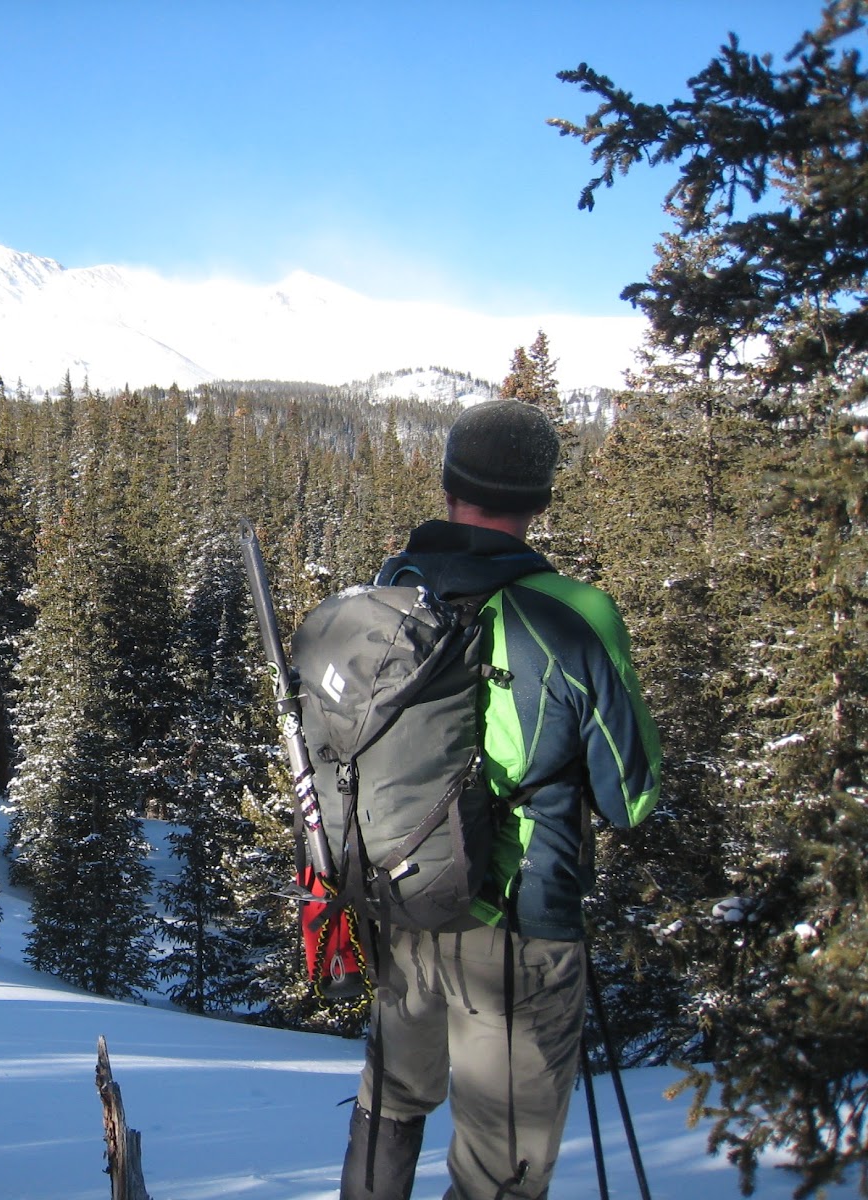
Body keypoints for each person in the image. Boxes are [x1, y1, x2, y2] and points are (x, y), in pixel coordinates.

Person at [338, 400, 662, 1200]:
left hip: (404, 899)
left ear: (448, 485)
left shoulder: (392, 590)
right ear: (542, 498)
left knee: (391, 1104)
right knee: (501, 1171)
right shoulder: (575, 615)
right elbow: (632, 796)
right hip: (519, 926)